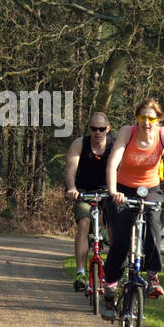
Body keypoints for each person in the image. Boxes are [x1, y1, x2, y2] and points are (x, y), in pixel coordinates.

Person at [103, 99, 164, 301]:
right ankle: (110, 281)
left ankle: (153, 275)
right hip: (122, 190)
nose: (146, 122)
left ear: (158, 119)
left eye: (151, 118)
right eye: (142, 117)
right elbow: (112, 164)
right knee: (120, 239)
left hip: (150, 189)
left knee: (154, 227)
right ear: (136, 118)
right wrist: (113, 192)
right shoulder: (127, 132)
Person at [64, 112, 115, 290]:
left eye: (102, 129)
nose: (98, 133)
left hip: (110, 192)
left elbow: (122, 168)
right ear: (89, 129)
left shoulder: (115, 145)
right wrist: (72, 188)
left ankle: (114, 272)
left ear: (108, 129)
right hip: (84, 192)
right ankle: (81, 272)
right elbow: (70, 170)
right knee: (84, 224)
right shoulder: (80, 144)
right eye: (94, 129)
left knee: (115, 227)